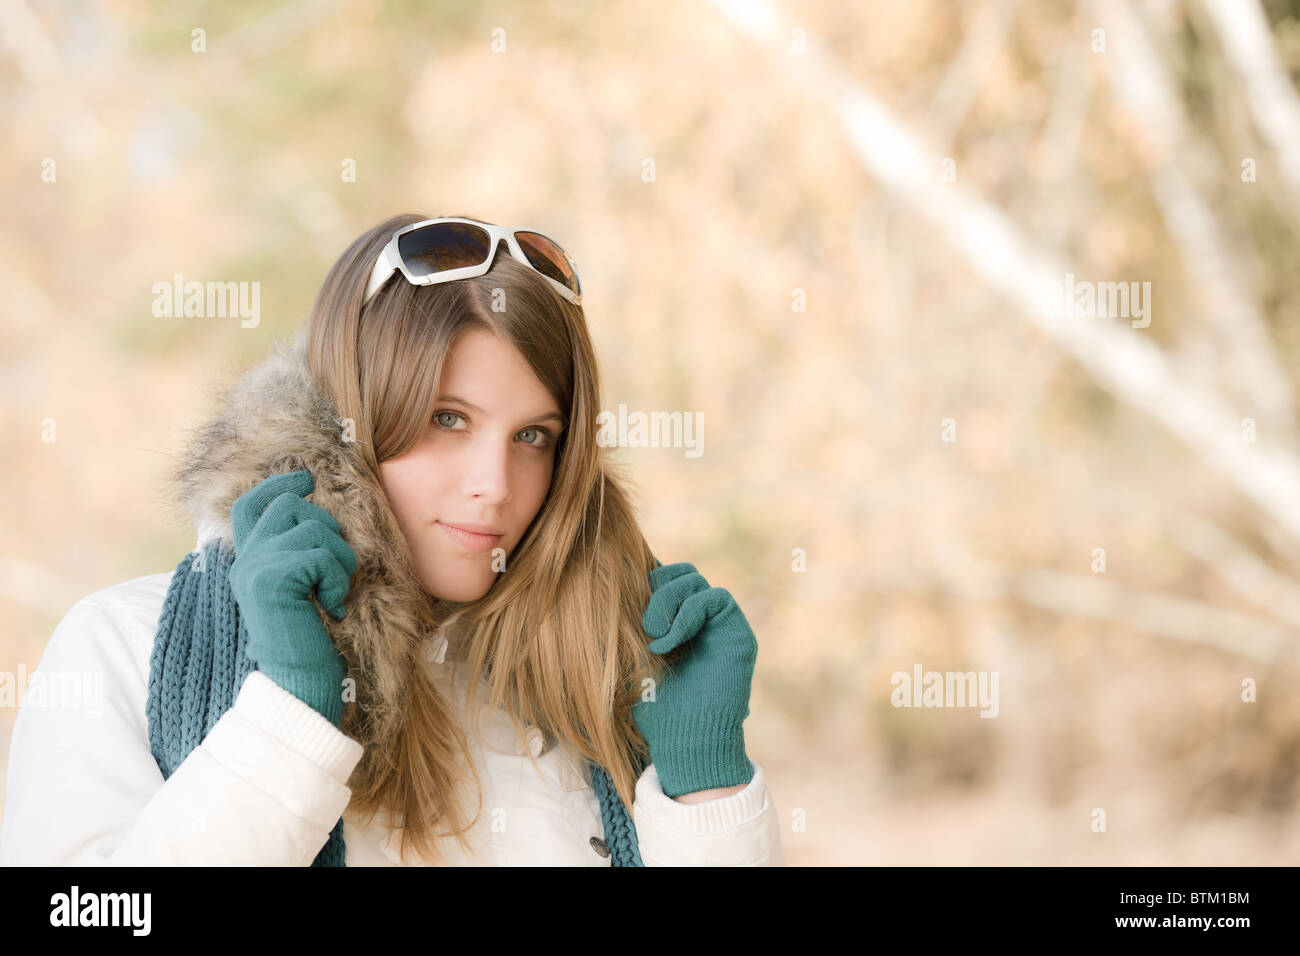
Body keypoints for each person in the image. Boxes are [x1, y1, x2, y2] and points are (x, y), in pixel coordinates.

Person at [0, 214, 785, 866]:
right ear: (346, 418)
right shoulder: (125, 646)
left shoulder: (593, 678)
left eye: (535, 435)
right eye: (448, 420)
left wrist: (706, 787)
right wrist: (289, 717)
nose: (496, 484)